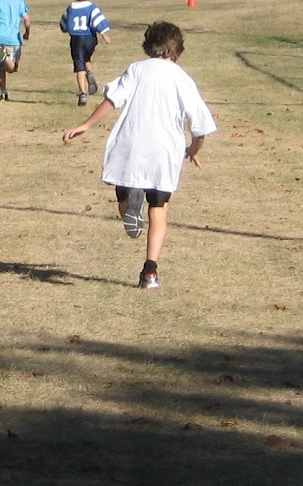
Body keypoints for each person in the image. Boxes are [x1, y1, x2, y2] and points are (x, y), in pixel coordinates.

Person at [61, 21, 216, 291]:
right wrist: (193, 148)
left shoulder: (136, 69)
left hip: (131, 146)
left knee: (124, 200)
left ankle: (129, 206)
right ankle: (150, 272)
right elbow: (200, 123)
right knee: (159, 208)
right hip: (164, 151)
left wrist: (86, 124)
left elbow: (112, 100)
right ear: (178, 49)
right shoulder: (181, 78)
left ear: (148, 46)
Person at [59, 0, 112, 106]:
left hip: (77, 39)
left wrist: (64, 28)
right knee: (86, 58)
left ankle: (82, 93)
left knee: (79, 65)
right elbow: (98, 21)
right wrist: (104, 34)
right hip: (90, 39)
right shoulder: (92, 7)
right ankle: (90, 73)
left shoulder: (71, 8)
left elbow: (64, 24)